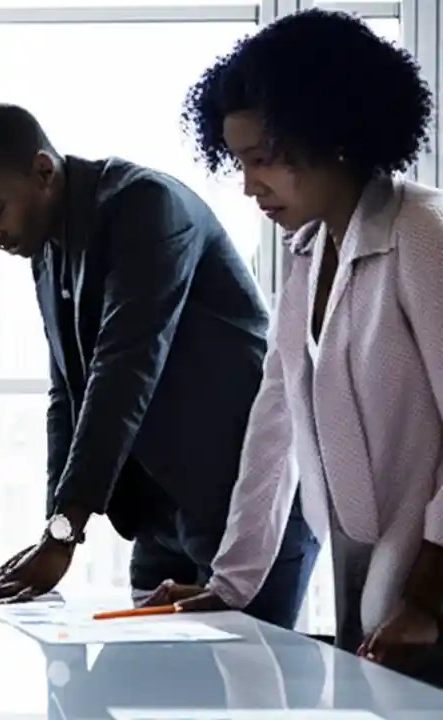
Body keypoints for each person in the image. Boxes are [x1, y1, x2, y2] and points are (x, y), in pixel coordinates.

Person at [142, 9, 443, 669]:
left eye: (263, 160)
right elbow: (274, 423)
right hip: (372, 582)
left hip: (431, 587)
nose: (249, 185)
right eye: (240, 161)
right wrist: (231, 584)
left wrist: (428, 597)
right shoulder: (306, 253)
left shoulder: (422, 233)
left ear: (330, 135)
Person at [0, 103, 319, 628]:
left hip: (243, 508)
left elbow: (124, 367)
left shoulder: (146, 205)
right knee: (141, 692)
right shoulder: (46, 250)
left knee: (245, 697)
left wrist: (65, 534)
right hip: (157, 515)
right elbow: (67, 396)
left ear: (43, 172)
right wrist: (54, 527)